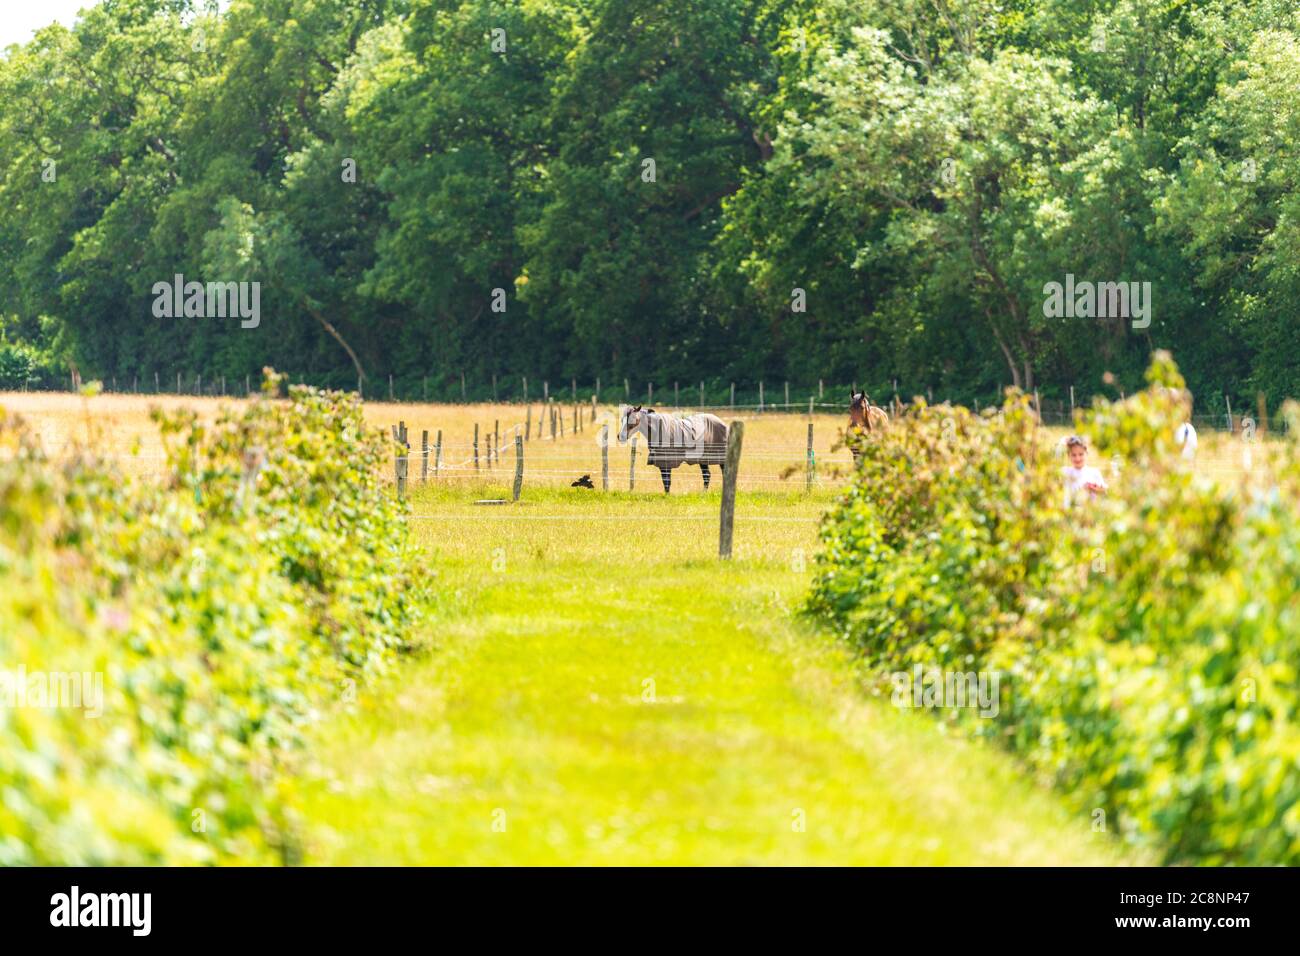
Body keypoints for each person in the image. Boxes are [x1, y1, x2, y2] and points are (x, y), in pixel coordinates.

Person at [1062, 435, 1107, 506]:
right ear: (1068, 455)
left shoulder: (1094, 472)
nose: (1077, 458)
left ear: (1086, 453)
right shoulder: (1065, 472)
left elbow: (1104, 492)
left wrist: (1095, 489)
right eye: (1073, 455)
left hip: (1088, 514)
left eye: (1081, 454)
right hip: (1069, 513)